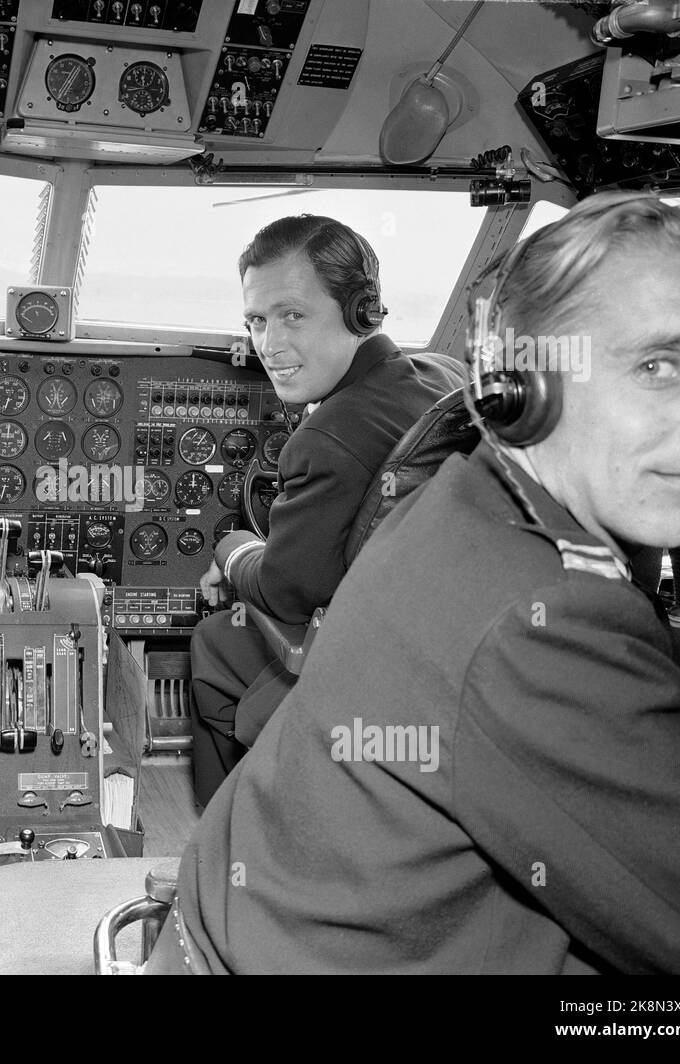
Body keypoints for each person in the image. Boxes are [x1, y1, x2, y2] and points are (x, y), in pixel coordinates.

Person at [169, 191, 680, 973]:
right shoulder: (528, 603)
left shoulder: (473, 490)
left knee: (213, 644)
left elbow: (659, 665)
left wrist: (233, 551)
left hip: (250, 912)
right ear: (525, 382)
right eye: (659, 366)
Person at [189, 215, 460, 804]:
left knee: (213, 640)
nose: (269, 345)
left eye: (293, 315)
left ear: (362, 310)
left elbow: (286, 591)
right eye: (256, 321)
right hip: (452, 648)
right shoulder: (445, 373)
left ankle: (227, 848)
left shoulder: (328, 437)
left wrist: (231, 549)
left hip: (375, 675)